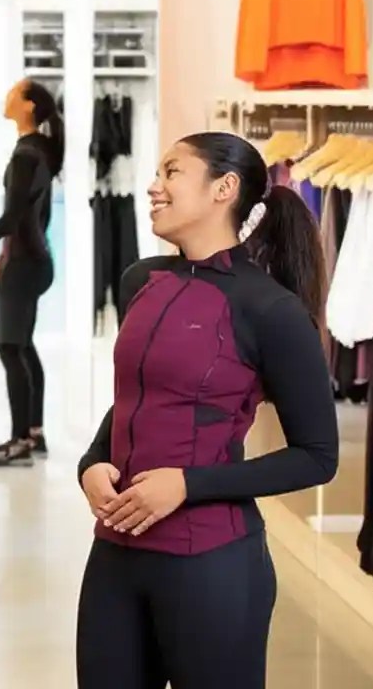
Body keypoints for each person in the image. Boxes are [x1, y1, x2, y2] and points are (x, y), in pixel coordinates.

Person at [75, 132, 339, 689]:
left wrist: (185, 486)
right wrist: (93, 461)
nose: (153, 186)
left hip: (212, 565)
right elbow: (135, 397)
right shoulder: (141, 280)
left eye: (171, 172)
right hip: (116, 556)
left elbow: (316, 458)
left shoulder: (270, 309)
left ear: (224, 188)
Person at [0, 78, 64, 467]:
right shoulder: (39, 151)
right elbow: (36, 216)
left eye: (13, 93)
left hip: (26, 264)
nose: (6, 96)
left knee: (10, 348)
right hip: (32, 259)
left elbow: (14, 215)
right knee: (23, 346)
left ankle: (19, 441)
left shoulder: (27, 154)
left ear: (28, 107)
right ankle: (33, 433)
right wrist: (6, 254)